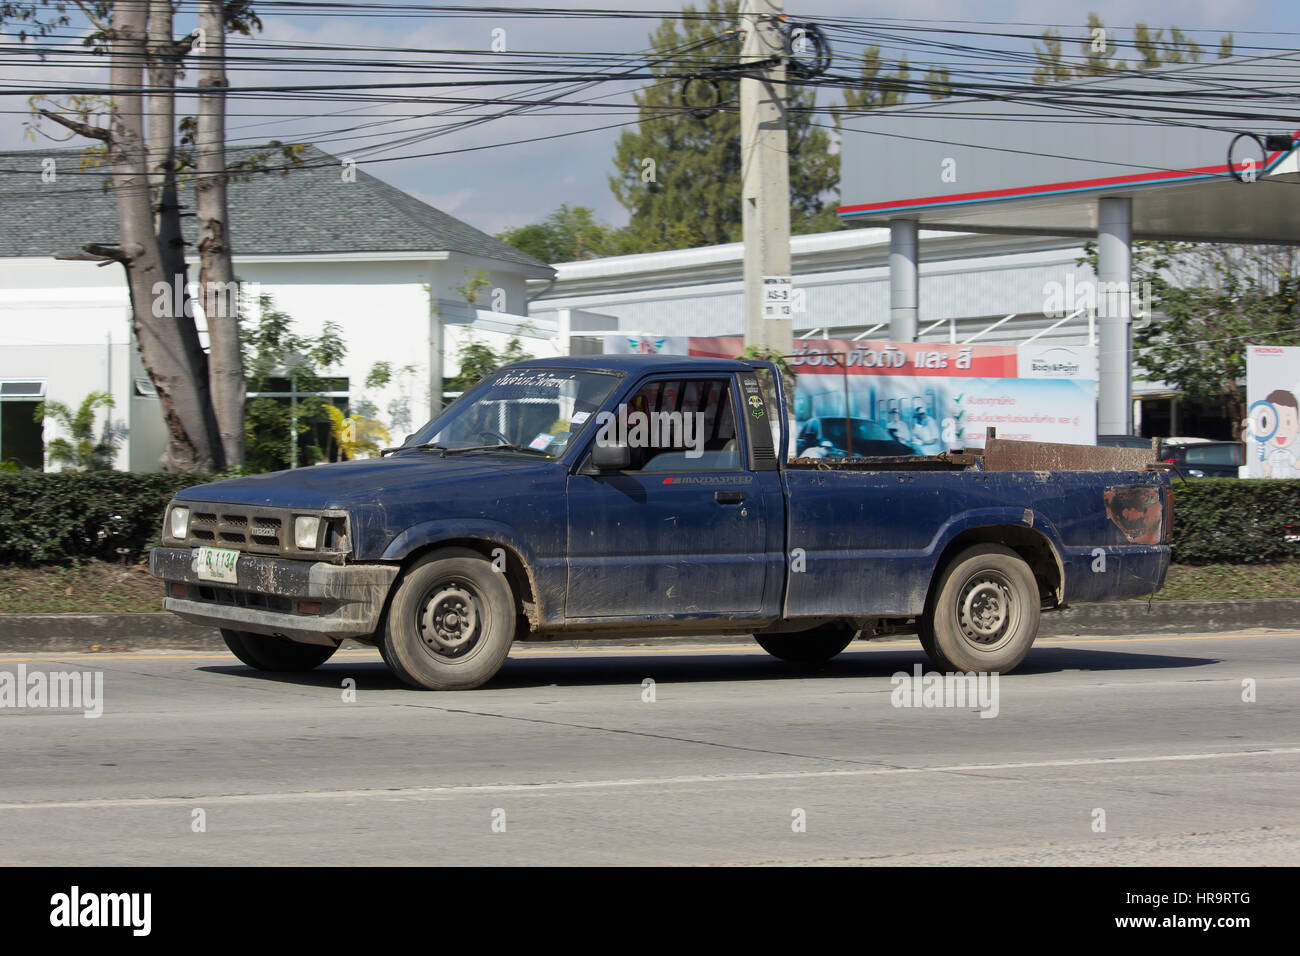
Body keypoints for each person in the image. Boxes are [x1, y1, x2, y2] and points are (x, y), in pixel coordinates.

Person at [1261, 389, 1299, 479]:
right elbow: (1267, 469)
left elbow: (1297, 466)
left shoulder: (1288, 454)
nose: (1281, 432)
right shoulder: (1272, 455)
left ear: (1297, 426)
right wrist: (1264, 465)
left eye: (1288, 422)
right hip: (1276, 481)